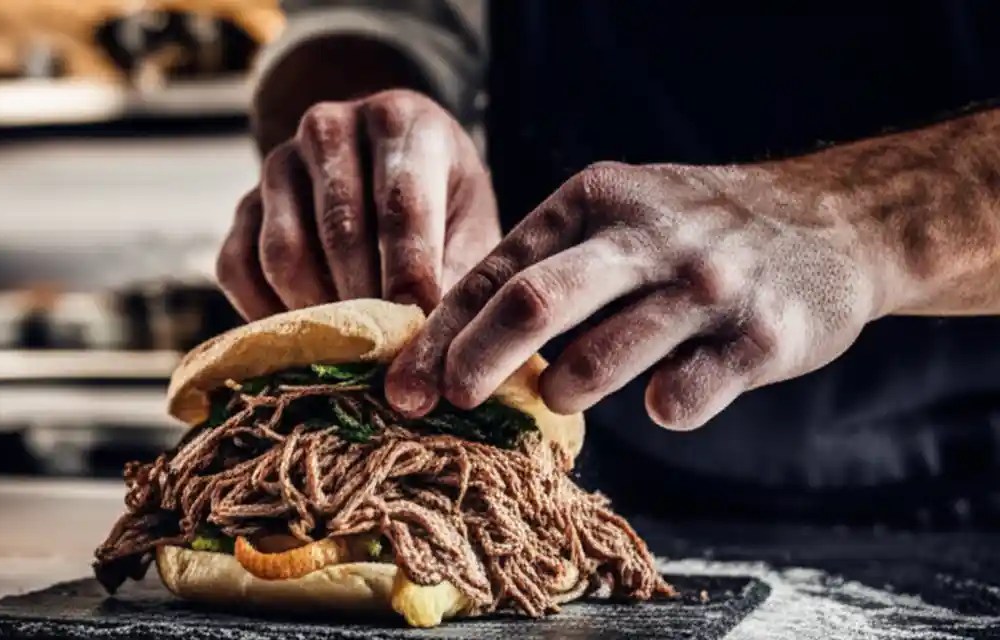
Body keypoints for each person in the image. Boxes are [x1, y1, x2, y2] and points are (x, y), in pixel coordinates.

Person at [214, 1, 1000, 524]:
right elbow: (381, 19)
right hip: (577, 479)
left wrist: (862, 222)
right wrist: (376, 142)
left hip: (970, 485)